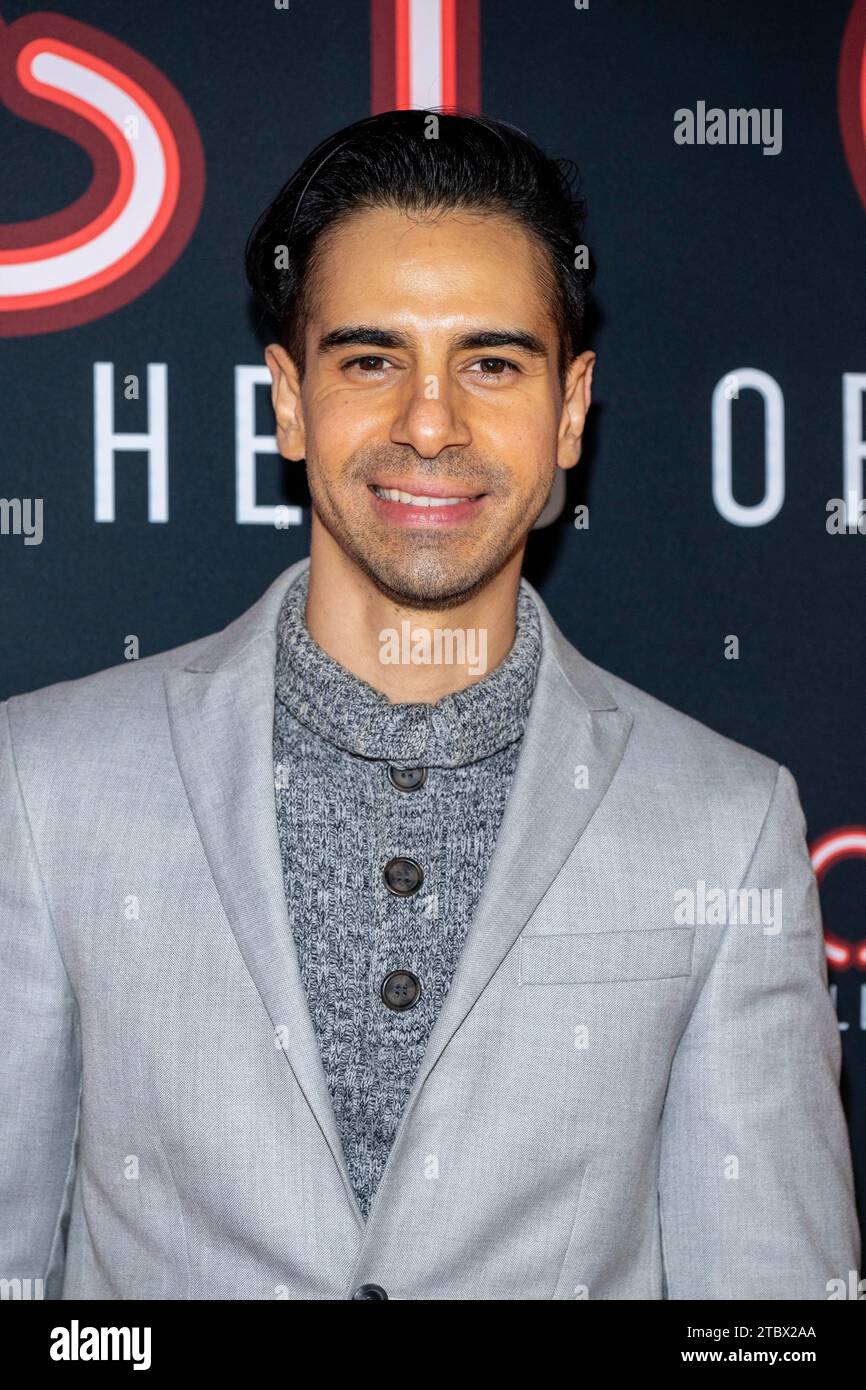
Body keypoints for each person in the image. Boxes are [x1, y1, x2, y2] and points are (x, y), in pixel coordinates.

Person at [0, 110, 859, 1300]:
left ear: (569, 409)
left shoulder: (725, 824)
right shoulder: (46, 784)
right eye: (370, 359)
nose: (428, 421)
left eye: (490, 363)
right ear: (289, 401)